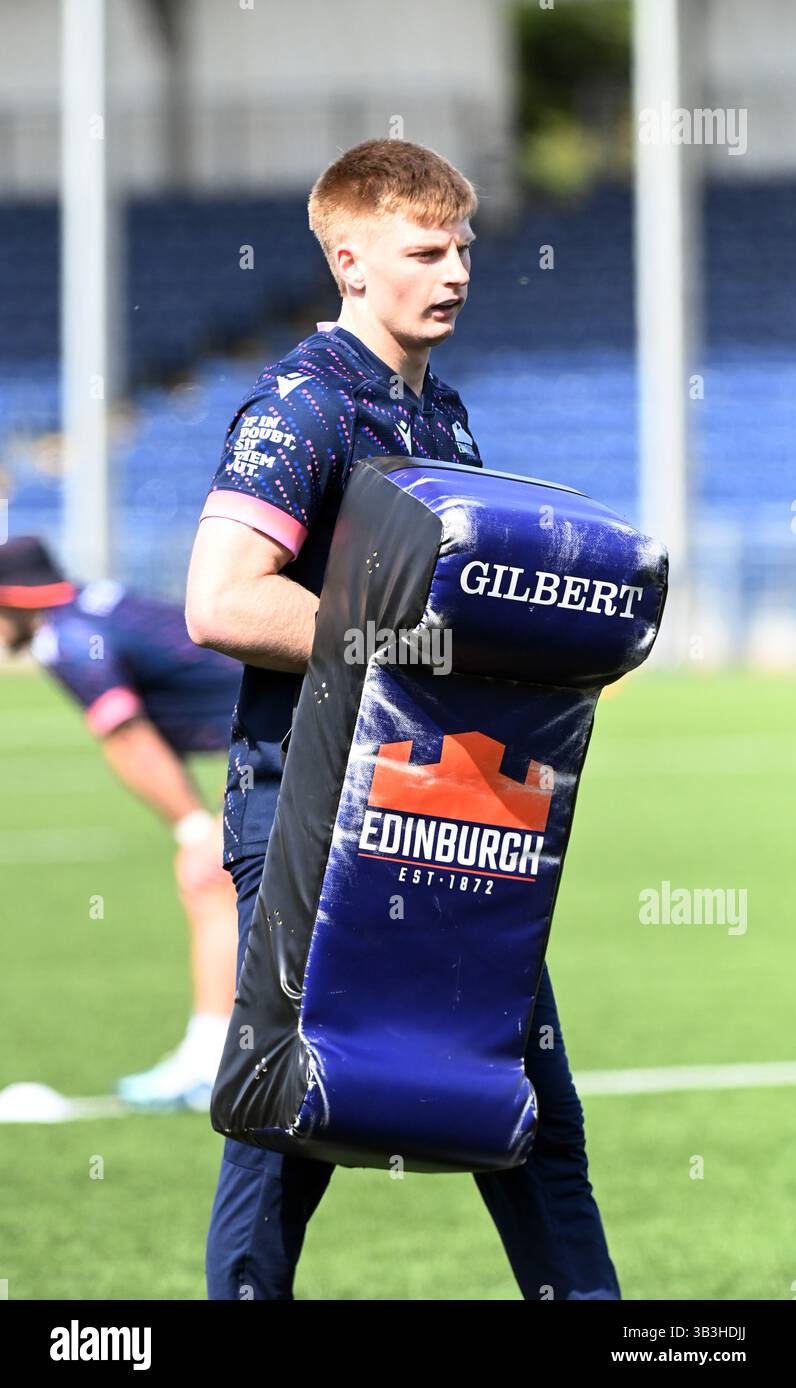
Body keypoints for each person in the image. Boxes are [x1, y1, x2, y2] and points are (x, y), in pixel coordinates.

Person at [186, 137, 620, 1300]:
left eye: (464, 245)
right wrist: (406, 638)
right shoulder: (302, 406)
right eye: (426, 249)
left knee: (528, 1110)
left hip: (451, 814)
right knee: (286, 1125)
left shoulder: (447, 415)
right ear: (349, 259)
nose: (457, 269)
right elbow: (221, 599)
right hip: (308, 821)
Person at [0, 535, 242, 1109]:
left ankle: (211, 1061)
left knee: (211, 878)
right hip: (276, 730)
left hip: (296, 731)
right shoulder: (88, 605)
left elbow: (128, 736)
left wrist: (191, 827)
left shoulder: (65, 639)